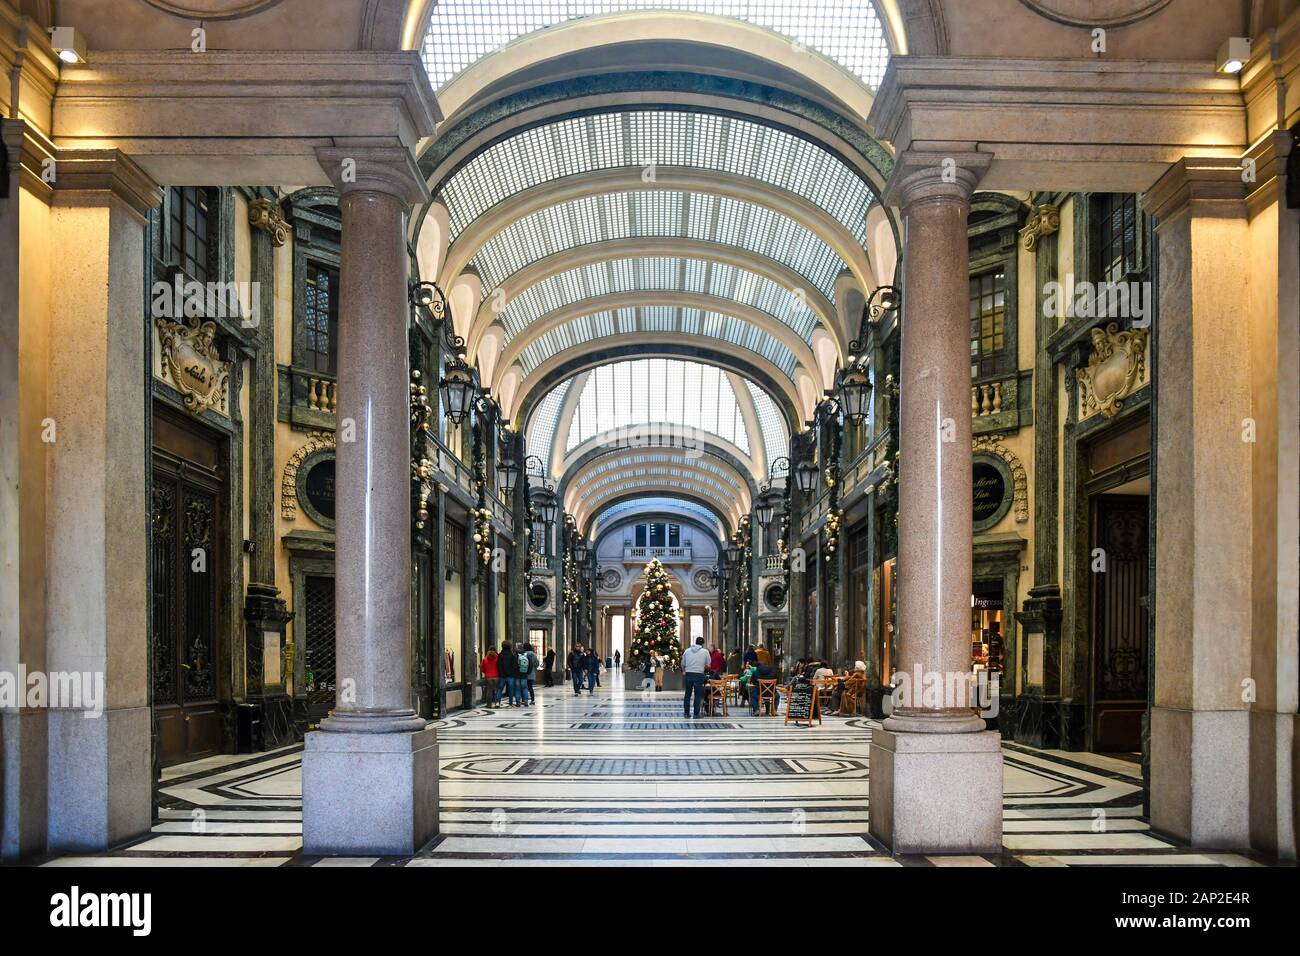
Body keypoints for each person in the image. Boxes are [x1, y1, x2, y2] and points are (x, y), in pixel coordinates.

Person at [681, 636, 712, 718]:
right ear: (702, 643)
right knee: (698, 695)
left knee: (687, 694)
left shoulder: (687, 651)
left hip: (689, 673)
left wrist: (684, 670)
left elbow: (683, 663)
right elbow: (708, 664)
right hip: (699, 674)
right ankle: (696, 714)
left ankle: (686, 713)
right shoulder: (705, 652)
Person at [497, 638, 520, 706]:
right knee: (510, 690)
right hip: (511, 676)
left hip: (502, 676)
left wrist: (501, 672)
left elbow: (499, 665)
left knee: (500, 689)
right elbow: (514, 666)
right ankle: (510, 703)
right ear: (510, 646)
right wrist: (511, 673)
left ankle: (498, 702)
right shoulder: (512, 655)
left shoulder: (500, 655)